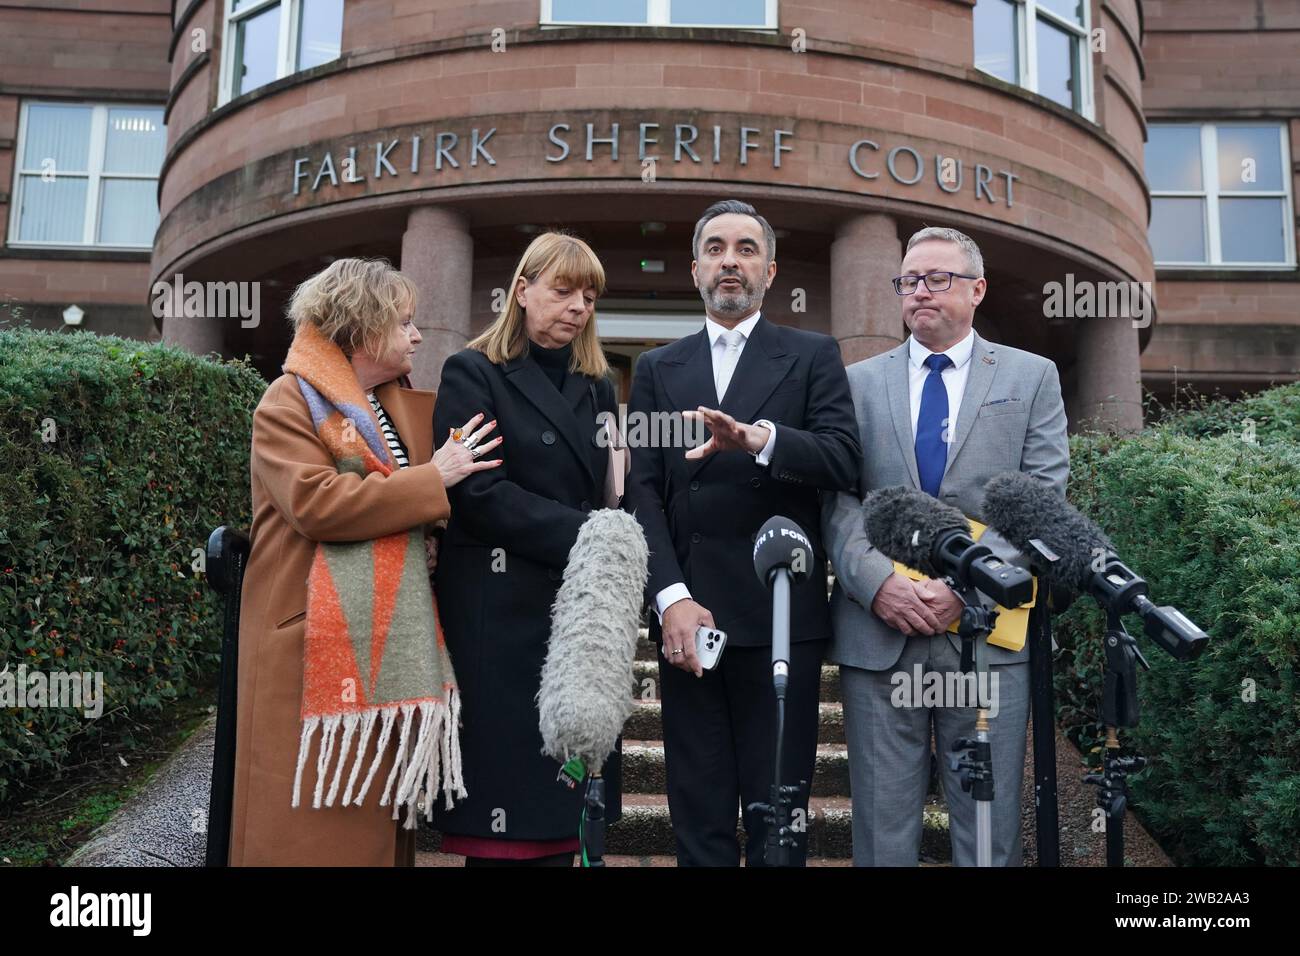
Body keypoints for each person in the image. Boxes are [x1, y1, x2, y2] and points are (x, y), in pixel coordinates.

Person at [230, 257, 499, 866]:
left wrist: (429, 524)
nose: (418, 335)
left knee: (370, 824)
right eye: (404, 321)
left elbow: (399, 504)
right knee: (314, 832)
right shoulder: (288, 401)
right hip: (309, 646)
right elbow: (318, 504)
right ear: (364, 324)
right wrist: (437, 480)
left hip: (376, 642)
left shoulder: (383, 406)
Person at [822, 226, 1070, 866]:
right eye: (909, 281)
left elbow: (1040, 504)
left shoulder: (1031, 376)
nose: (920, 292)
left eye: (938, 278)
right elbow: (840, 502)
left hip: (987, 638)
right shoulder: (854, 382)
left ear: (977, 289)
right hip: (880, 636)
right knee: (881, 835)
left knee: (988, 834)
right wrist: (879, 583)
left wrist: (965, 590)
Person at [625, 199, 861, 866]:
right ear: (695, 268)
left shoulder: (814, 355)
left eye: (747, 248)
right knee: (697, 815)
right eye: (717, 248)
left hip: (782, 614)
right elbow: (641, 490)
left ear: (771, 268)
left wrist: (761, 440)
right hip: (690, 617)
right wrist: (670, 598)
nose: (731, 260)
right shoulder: (656, 369)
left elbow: (844, 460)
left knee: (778, 818)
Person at [430, 232, 622, 866]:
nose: (577, 307)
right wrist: (592, 536)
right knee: (502, 829)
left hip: (573, 614)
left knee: (563, 814)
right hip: (497, 612)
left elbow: (602, 491)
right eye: (562, 291)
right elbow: (479, 493)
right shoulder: (471, 371)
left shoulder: (597, 387)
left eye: (589, 296)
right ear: (521, 289)